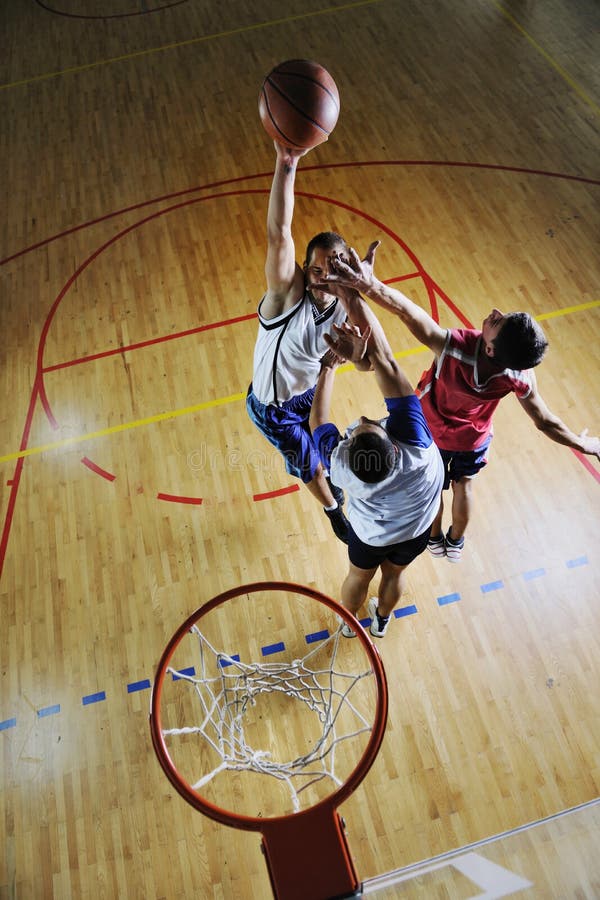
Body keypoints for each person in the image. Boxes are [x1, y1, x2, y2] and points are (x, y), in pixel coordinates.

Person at [316, 241, 600, 561]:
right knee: (464, 486)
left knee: (434, 487)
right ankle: (455, 542)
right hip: (473, 437)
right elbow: (545, 421)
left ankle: (434, 539)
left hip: (432, 430)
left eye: (498, 322)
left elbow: (407, 313)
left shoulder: (457, 346)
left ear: (490, 349)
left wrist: (370, 285)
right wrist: (584, 444)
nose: (495, 313)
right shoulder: (519, 376)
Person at [309, 294, 444, 639]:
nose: (363, 419)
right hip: (415, 529)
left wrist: (328, 366)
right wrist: (353, 291)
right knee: (395, 576)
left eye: (358, 425)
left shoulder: (342, 468)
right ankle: (381, 620)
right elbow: (387, 362)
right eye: (368, 423)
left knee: (358, 576)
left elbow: (318, 421)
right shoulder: (416, 443)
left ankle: (349, 623)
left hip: (371, 534)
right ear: (392, 444)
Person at [246, 142, 352, 543]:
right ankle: (332, 511)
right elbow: (279, 234)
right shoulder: (286, 297)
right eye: (317, 268)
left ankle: (341, 486)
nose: (323, 276)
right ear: (305, 269)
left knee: (331, 449)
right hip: (272, 406)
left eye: (334, 269)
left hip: (307, 394)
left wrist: (352, 358)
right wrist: (286, 163)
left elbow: (369, 363)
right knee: (312, 466)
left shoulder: (347, 302)